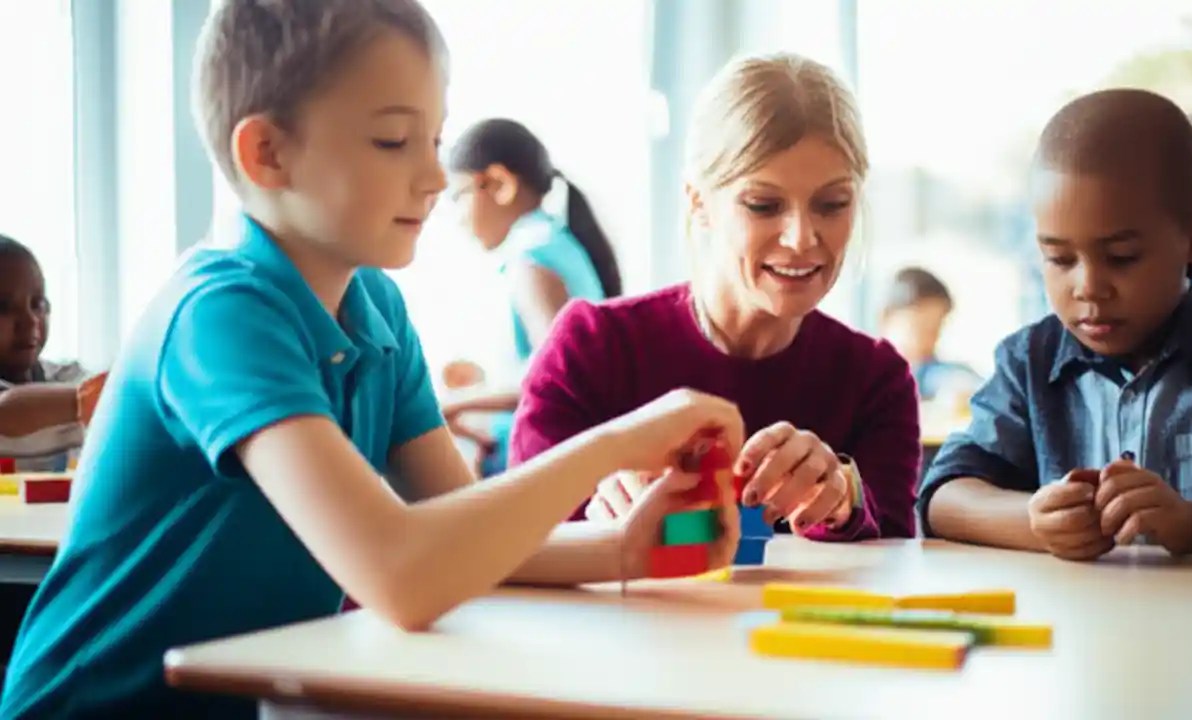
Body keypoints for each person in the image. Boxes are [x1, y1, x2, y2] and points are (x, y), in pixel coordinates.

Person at [0, 3, 742, 716]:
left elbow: (454, 533)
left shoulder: (375, 306)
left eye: (435, 140)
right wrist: (614, 444)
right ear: (267, 153)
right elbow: (400, 574)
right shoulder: (221, 312)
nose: (431, 176)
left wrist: (624, 548)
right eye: (394, 141)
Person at [510, 53, 921, 541]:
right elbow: (516, 537)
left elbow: (892, 558)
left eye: (832, 205)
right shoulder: (591, 349)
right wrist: (594, 521)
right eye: (763, 205)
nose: (801, 238)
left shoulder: (876, 382)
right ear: (698, 203)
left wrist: (843, 503)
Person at [920, 88, 1192, 560]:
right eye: (1059, 258)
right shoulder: (1029, 365)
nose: (1088, 286)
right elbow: (943, 496)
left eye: (1121, 257)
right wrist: (1034, 521)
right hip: (1075, 633)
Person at [442, 119, 622, 476]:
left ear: (500, 185)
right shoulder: (554, 241)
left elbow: (554, 375)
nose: (457, 219)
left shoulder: (531, 257)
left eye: (457, 196)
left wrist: (454, 404)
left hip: (538, 461)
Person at [0, 234, 103, 472]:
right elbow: (7, 411)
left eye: (37, 303)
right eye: (3, 308)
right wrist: (93, 398)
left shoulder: (67, 376)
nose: (30, 320)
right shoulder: (79, 392)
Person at [879, 266, 981, 403]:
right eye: (921, 327)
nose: (930, 339)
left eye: (937, 328)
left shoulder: (942, 375)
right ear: (887, 317)